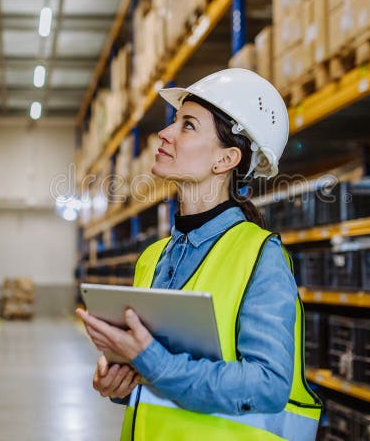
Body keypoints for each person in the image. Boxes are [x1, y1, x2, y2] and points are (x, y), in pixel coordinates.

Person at [76, 68, 321, 440]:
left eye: (188, 125)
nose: (165, 133)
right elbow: (160, 383)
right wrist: (122, 384)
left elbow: (268, 385)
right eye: (175, 121)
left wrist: (152, 362)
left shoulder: (259, 255)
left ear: (225, 160)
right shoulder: (153, 258)